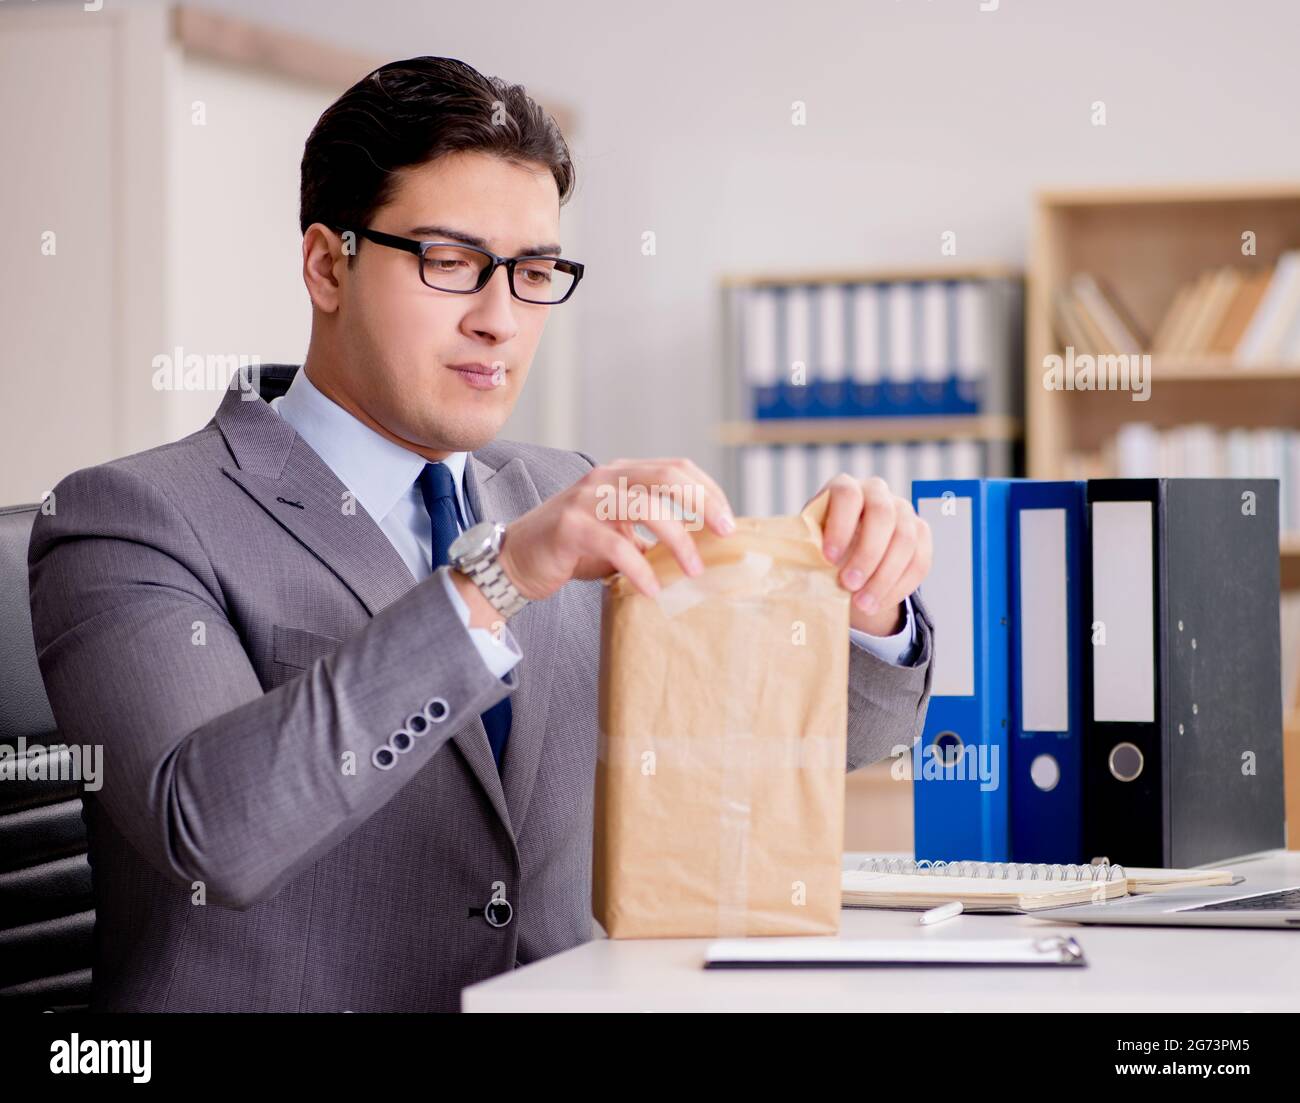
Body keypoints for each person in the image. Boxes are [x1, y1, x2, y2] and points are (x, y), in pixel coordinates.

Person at [27, 56, 935, 1012]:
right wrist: (497, 580)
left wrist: (865, 612)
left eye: (533, 273)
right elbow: (213, 830)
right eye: (450, 263)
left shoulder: (561, 489)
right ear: (328, 266)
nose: (499, 321)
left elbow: (760, 751)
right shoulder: (131, 519)